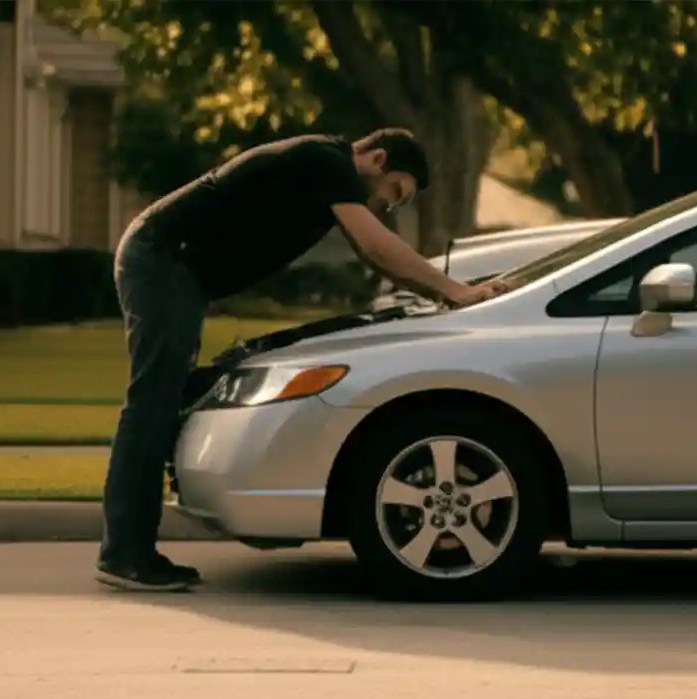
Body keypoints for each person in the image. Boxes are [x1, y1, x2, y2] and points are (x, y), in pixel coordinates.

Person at [96, 128, 507, 591]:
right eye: (394, 194)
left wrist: (441, 297)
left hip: (177, 270)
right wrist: (456, 291)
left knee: (165, 399)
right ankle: (125, 556)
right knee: (152, 402)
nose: (387, 207)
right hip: (161, 258)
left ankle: (131, 549)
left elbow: (376, 257)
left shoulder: (326, 178)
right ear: (376, 159)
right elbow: (376, 246)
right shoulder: (325, 160)